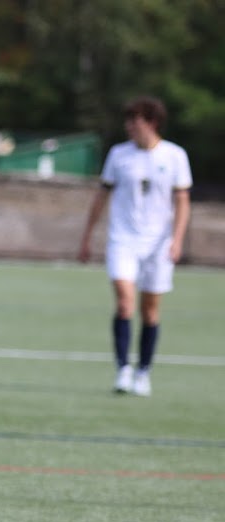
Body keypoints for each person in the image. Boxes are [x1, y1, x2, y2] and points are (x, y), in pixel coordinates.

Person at [78, 96, 192, 397]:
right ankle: (123, 369)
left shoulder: (174, 156)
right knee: (125, 302)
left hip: (158, 244)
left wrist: (177, 239)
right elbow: (101, 196)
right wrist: (87, 236)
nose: (129, 125)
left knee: (150, 311)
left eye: (135, 120)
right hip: (123, 239)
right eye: (128, 120)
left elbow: (182, 201)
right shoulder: (119, 155)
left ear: (152, 123)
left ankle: (143, 371)